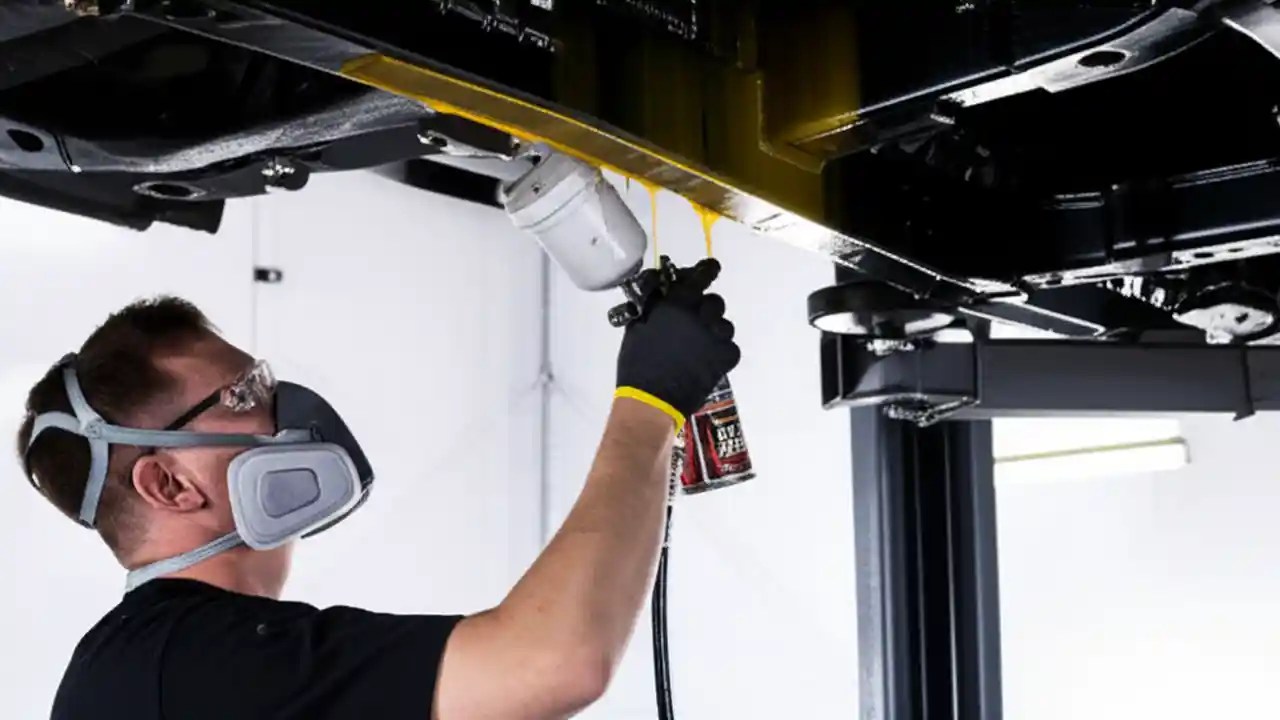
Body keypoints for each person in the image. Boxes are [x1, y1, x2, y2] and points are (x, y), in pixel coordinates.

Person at [15, 259, 739, 720]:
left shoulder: (163, 660)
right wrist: (650, 403)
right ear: (168, 481)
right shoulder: (191, 662)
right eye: (244, 394)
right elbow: (554, 660)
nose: (284, 405)